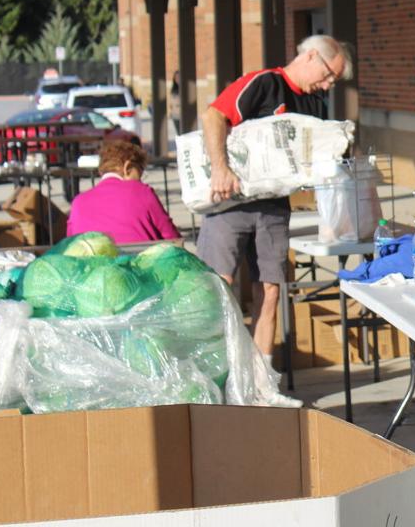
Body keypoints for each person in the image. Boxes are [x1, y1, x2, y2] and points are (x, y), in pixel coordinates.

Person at [197, 35, 353, 359]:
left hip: (274, 209)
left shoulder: (315, 106)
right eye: (327, 76)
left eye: (333, 82)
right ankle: (220, 372)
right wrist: (220, 168)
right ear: (310, 56)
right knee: (218, 286)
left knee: (270, 290)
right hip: (231, 202)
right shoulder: (263, 83)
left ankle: (262, 380)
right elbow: (213, 116)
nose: (326, 85)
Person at [66, 139, 180, 243]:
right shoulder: (142, 192)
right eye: (140, 173)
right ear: (128, 168)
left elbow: (70, 244)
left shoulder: (78, 202)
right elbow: (172, 237)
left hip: (92, 265)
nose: (140, 179)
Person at [169, 70, 182, 137]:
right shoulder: (173, 89)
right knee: (179, 134)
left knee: (184, 134)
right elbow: (171, 102)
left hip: (182, 115)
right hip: (175, 115)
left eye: (178, 77)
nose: (177, 79)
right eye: (176, 77)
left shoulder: (183, 88)